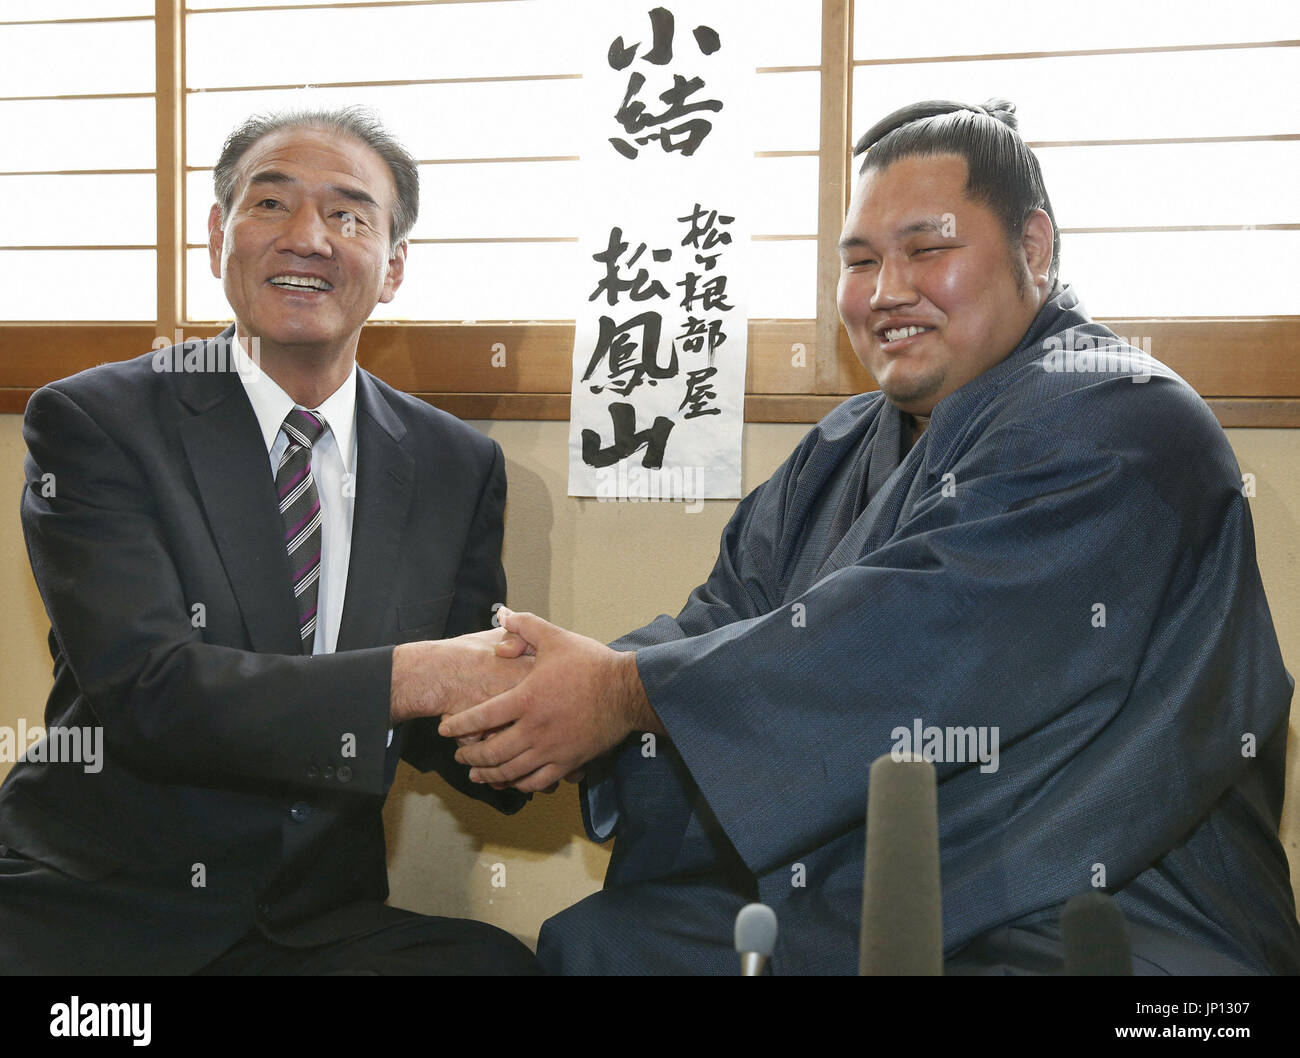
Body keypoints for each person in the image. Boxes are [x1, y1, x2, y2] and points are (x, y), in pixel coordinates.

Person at [441, 99, 1300, 975]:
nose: (888, 290)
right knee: (604, 945)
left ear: (1033, 249)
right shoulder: (844, 443)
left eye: (927, 250)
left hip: (1109, 904)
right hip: (879, 881)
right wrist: (559, 692)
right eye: (860, 261)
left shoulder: (1123, 414)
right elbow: (722, 619)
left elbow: (909, 638)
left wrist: (622, 694)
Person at [0, 106, 541, 975]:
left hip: (314, 918)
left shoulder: (455, 462)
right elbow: (154, 693)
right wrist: (423, 672)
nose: (308, 239)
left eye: (349, 216)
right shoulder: (95, 422)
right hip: (95, 903)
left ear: (394, 267)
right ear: (218, 234)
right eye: (270, 205)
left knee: (501, 967)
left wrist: (575, 714)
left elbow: (453, 716)